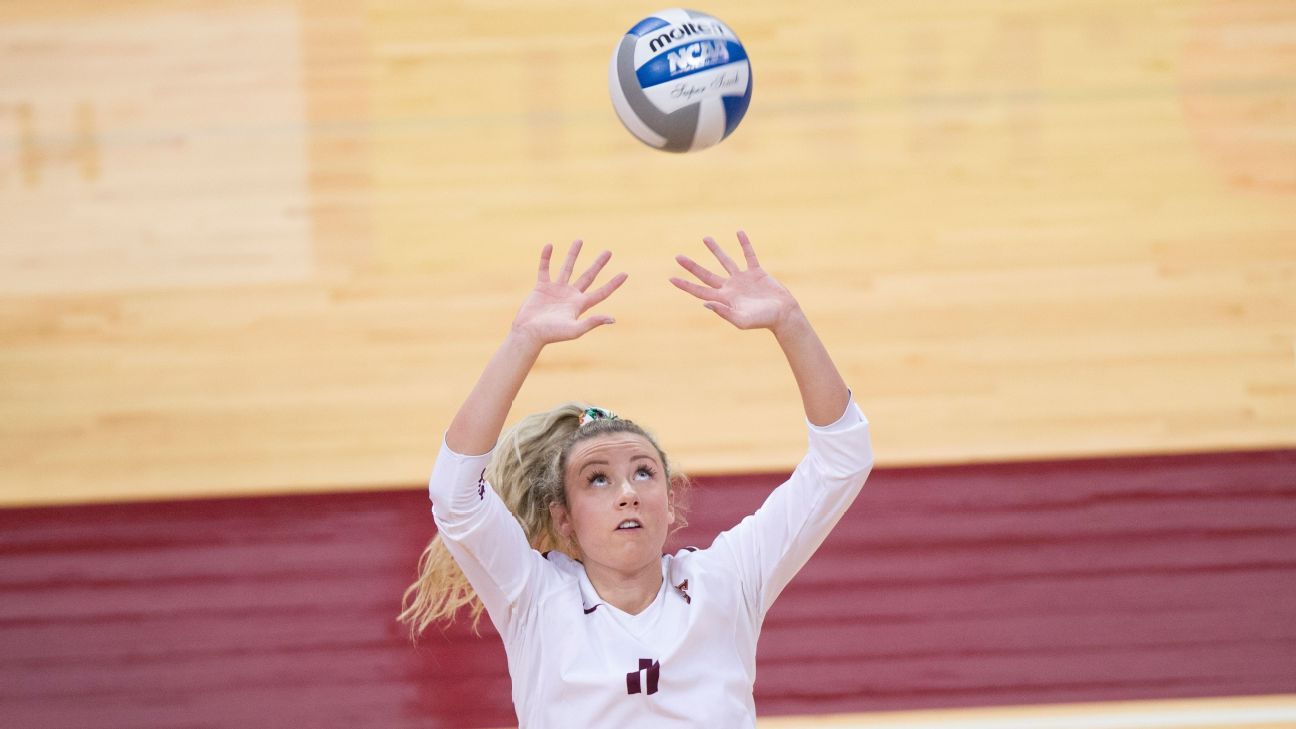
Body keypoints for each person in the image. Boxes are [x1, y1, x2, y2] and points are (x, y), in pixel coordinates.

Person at [399, 232, 873, 728]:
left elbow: (842, 461)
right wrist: (523, 340)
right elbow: (455, 494)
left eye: (643, 473)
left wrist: (790, 323)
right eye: (597, 480)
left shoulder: (726, 582)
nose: (627, 493)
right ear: (563, 519)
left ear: (669, 503)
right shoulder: (535, 597)